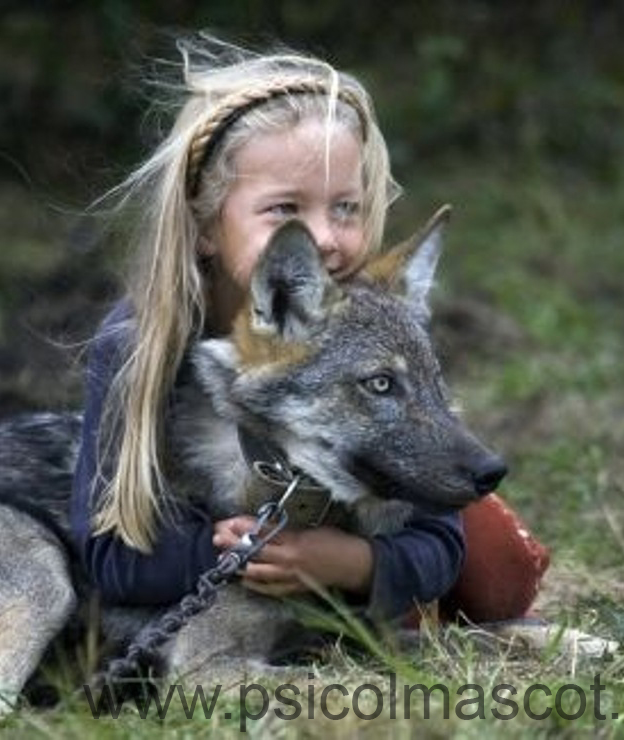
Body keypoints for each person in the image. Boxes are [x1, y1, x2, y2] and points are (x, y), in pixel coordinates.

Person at [70, 37, 548, 627]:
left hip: (357, 512)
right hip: (233, 550)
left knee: (498, 568)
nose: (324, 236)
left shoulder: (377, 310)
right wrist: (254, 554)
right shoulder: (134, 343)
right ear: (203, 224)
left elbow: (436, 539)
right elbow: (108, 553)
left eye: (345, 207)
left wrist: (355, 564)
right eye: (285, 210)